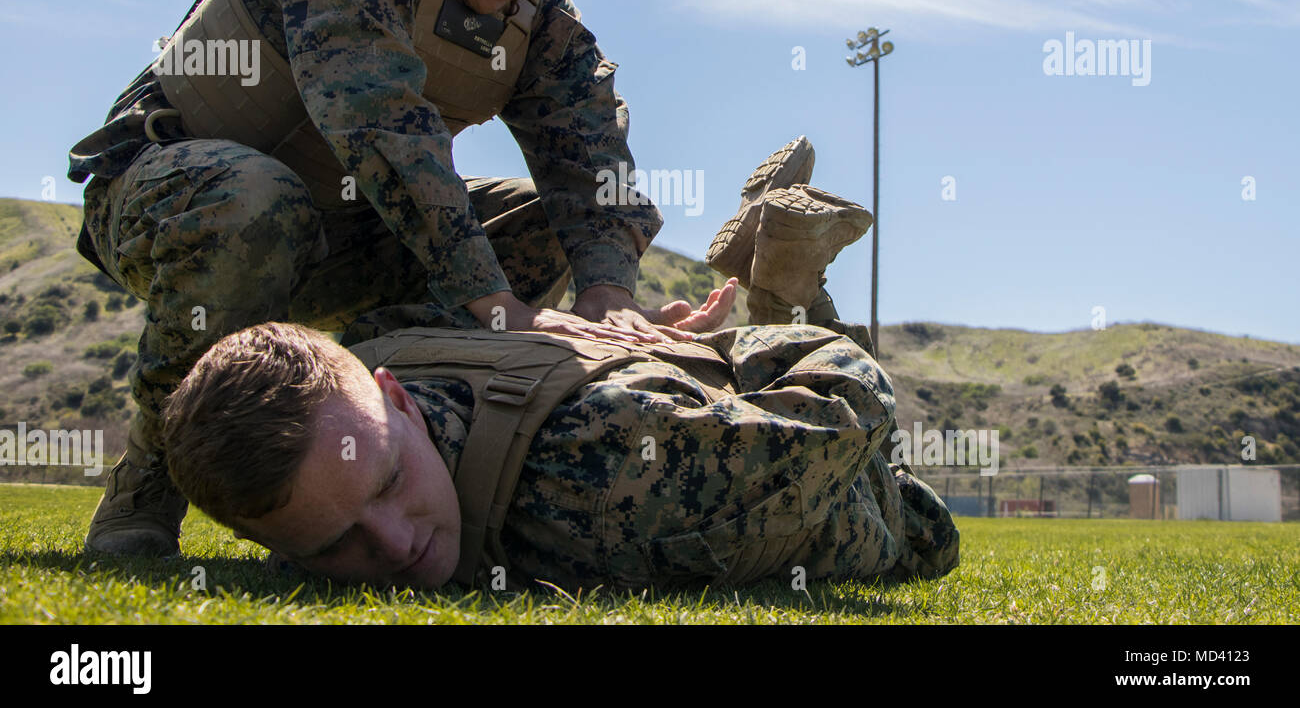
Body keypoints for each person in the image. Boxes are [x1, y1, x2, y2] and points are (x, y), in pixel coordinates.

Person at [65, 0, 733, 558]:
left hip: (337, 238)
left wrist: (613, 300)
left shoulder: (538, 17)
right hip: (172, 201)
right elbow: (380, 122)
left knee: (540, 228)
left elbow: (590, 151)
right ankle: (144, 496)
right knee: (256, 202)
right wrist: (493, 306)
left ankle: (408, 453)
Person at [159, 171, 959, 592]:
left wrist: (739, 346)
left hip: (805, 469)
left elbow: (854, 398)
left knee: (923, 537)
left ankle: (783, 278)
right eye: (336, 546)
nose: (398, 545)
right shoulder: (373, 350)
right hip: (636, 390)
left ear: (394, 393)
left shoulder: (609, 474)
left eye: (389, 481)